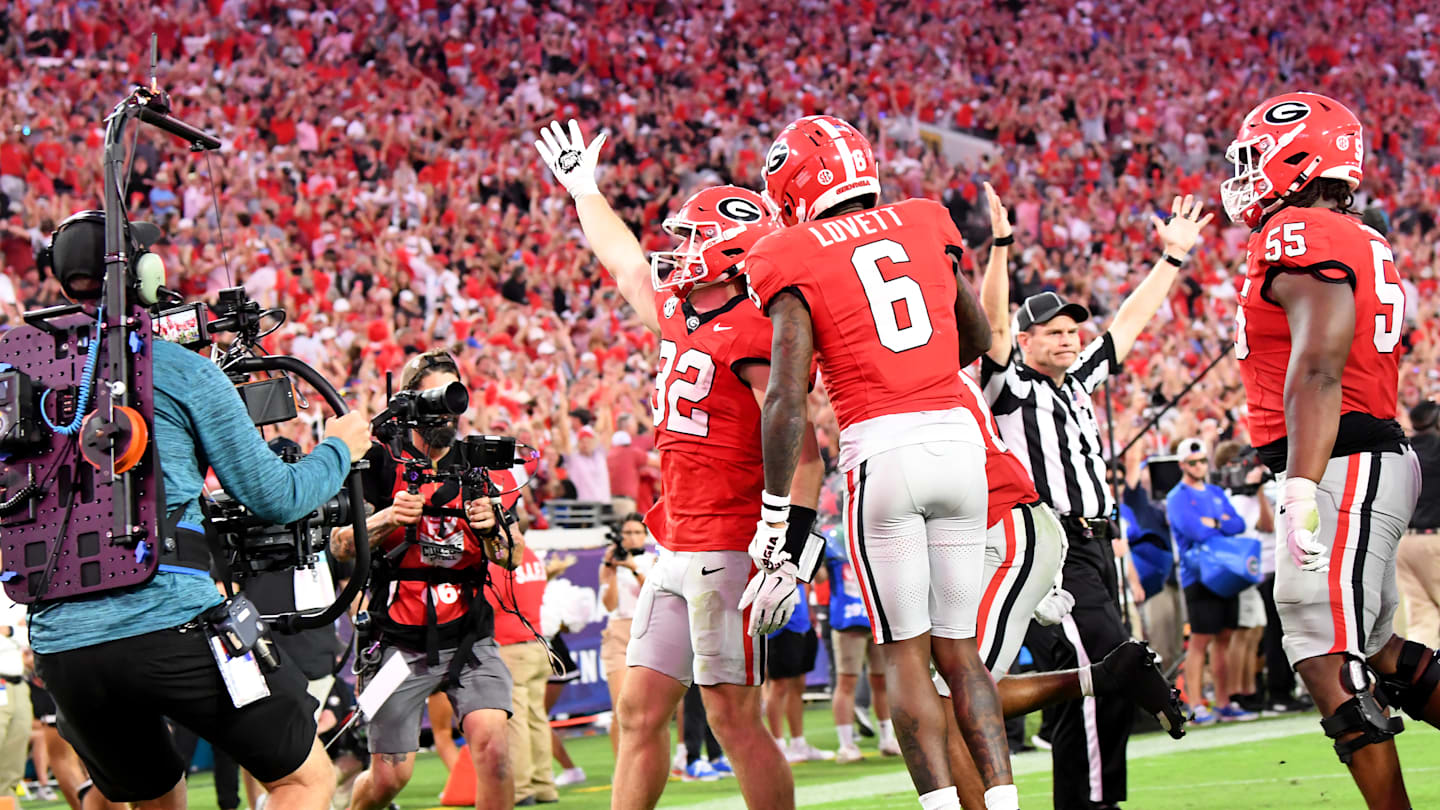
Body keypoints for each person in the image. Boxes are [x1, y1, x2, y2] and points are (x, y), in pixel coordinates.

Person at [29, 210, 370, 810]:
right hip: (172, 621)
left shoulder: (18, 373)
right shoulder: (179, 369)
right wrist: (342, 445)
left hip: (61, 645)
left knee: (155, 797)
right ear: (144, 274)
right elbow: (277, 495)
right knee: (304, 779)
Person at [535, 119, 823, 810]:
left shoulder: (759, 328)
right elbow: (625, 260)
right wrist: (582, 189)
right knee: (637, 711)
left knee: (730, 718)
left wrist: (791, 554)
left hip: (732, 545)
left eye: (693, 238)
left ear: (731, 247)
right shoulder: (677, 308)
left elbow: (806, 451)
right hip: (674, 541)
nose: (679, 251)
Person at [747, 114, 1014, 810]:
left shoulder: (790, 251)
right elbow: (975, 337)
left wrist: (777, 525)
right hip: (959, 445)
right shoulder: (925, 220)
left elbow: (784, 398)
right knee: (961, 653)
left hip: (884, 450)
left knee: (903, 657)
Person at [1225, 91, 1440, 809]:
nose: (1248, 175)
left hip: (1341, 464)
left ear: (1299, 156)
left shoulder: (1299, 232)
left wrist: (1297, 487)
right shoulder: (1347, 231)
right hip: (1362, 458)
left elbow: (1318, 367)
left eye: (1256, 158)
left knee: (1320, 651)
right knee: (1379, 650)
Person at [978, 182, 1211, 808]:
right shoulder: (1009, 388)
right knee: (1110, 666)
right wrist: (1001, 246)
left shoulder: (1078, 378)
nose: (1069, 340)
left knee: (1085, 683)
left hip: (1098, 547)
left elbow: (1129, 323)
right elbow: (992, 321)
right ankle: (1092, 802)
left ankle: (1086, 799)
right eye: (1052, 333)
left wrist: (1173, 259)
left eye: (1072, 331)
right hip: (1053, 548)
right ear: (1025, 343)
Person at [330, 348, 524, 810]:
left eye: (453, 395)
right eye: (435, 396)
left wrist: (491, 526)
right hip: (395, 638)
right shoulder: (377, 461)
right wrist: (383, 520)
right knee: (388, 779)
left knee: (495, 750)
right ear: (410, 401)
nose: (446, 409)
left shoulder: (477, 462)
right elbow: (339, 546)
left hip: (468, 634)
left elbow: (510, 556)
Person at [1165, 438, 1260, 724]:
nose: (1200, 466)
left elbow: (1238, 524)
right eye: (1194, 462)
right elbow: (1194, 530)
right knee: (1200, 640)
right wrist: (1219, 522)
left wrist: (1215, 522)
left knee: (1224, 638)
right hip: (1198, 575)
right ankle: (1196, 704)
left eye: (1203, 461)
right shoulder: (1177, 496)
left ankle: (1223, 701)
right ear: (1183, 465)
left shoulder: (1216, 491)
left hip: (1225, 571)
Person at [822, 529, 900, 763]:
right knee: (847, 682)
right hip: (850, 619)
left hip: (875, 616)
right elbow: (819, 577)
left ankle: (888, 738)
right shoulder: (831, 538)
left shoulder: (872, 529)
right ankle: (846, 744)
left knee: (881, 681)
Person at [487, 543, 554, 806]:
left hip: (512, 647)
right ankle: (545, 785)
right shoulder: (532, 555)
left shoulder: (502, 560)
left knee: (517, 721)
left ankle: (522, 789)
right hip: (537, 643)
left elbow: (489, 603)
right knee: (537, 718)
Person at [597, 512, 656, 757]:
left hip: (647, 632)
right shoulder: (608, 563)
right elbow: (608, 605)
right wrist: (611, 570)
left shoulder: (653, 560)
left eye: (636, 533)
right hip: (618, 633)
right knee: (621, 705)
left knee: (649, 707)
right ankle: (622, 766)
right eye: (627, 533)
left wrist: (634, 570)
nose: (632, 538)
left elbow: (652, 598)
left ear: (645, 536)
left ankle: (646, 760)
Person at [764, 584, 830, 763]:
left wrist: (809, 609)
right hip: (779, 623)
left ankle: (798, 743)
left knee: (799, 684)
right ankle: (777, 746)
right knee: (779, 685)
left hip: (801, 619)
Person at [1398, 400, 1440, 648]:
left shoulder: (1403, 451)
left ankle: (1420, 684)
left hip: (1405, 543)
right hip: (1435, 540)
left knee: (1422, 620)